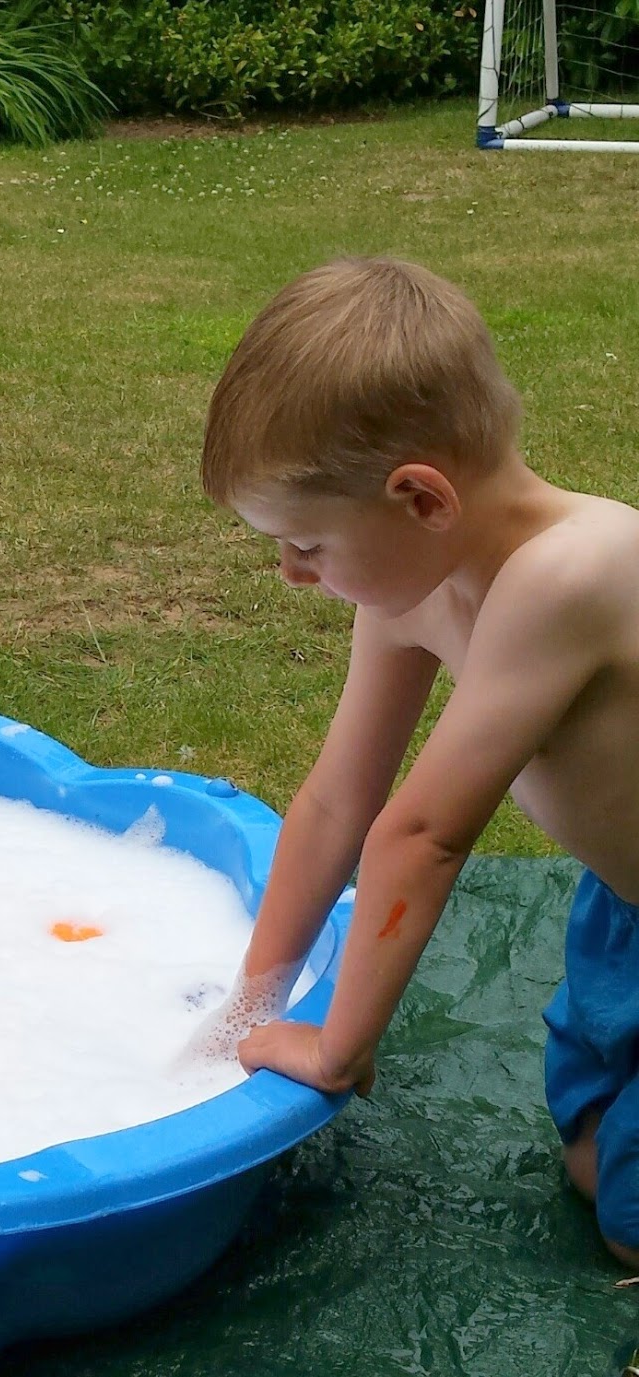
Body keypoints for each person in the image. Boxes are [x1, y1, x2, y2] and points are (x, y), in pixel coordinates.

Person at [194, 255, 639, 1266]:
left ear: (421, 498)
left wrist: (335, 1046)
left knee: (628, 1227)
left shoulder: (577, 570)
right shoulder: (409, 592)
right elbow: (334, 803)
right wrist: (252, 1009)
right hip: (623, 910)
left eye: (304, 540)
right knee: (589, 1159)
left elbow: (422, 835)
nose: (291, 574)